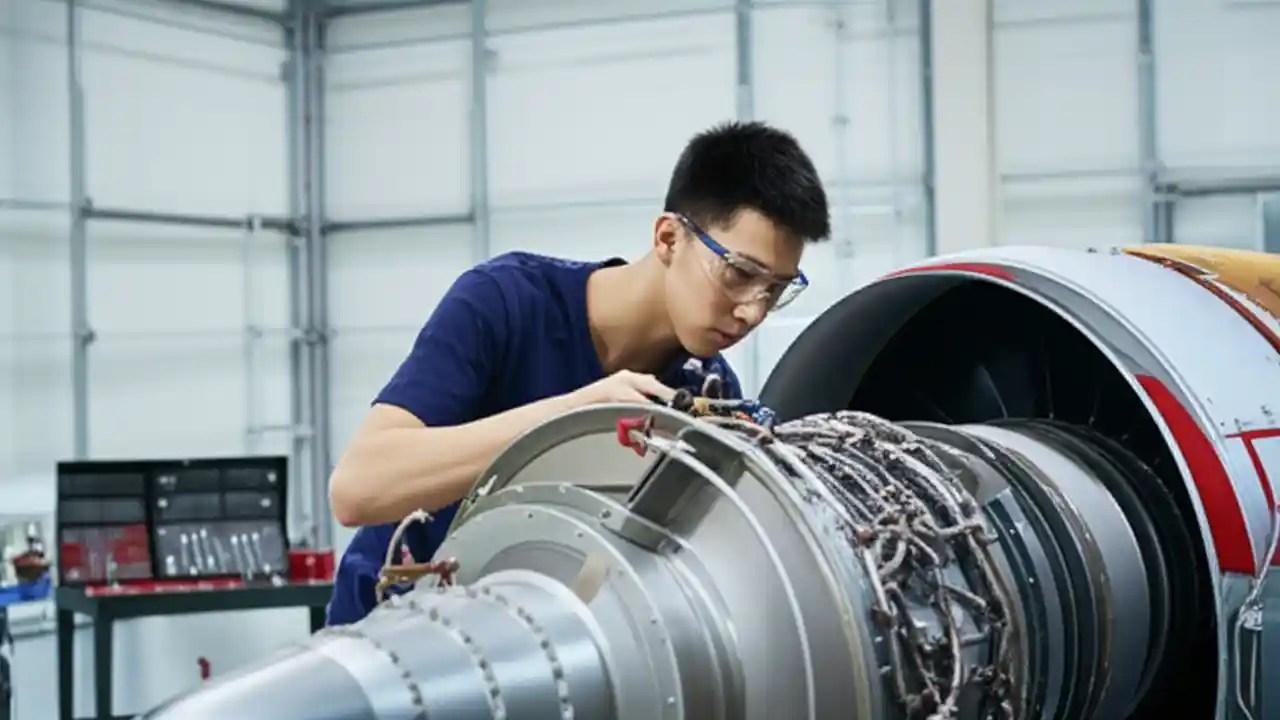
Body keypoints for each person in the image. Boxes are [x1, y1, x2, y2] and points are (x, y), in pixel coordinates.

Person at [324, 120, 831, 625]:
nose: (753, 311)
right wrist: (573, 419)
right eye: (740, 274)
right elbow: (357, 489)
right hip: (387, 640)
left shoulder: (702, 392)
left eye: (775, 289)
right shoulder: (504, 303)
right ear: (668, 238)